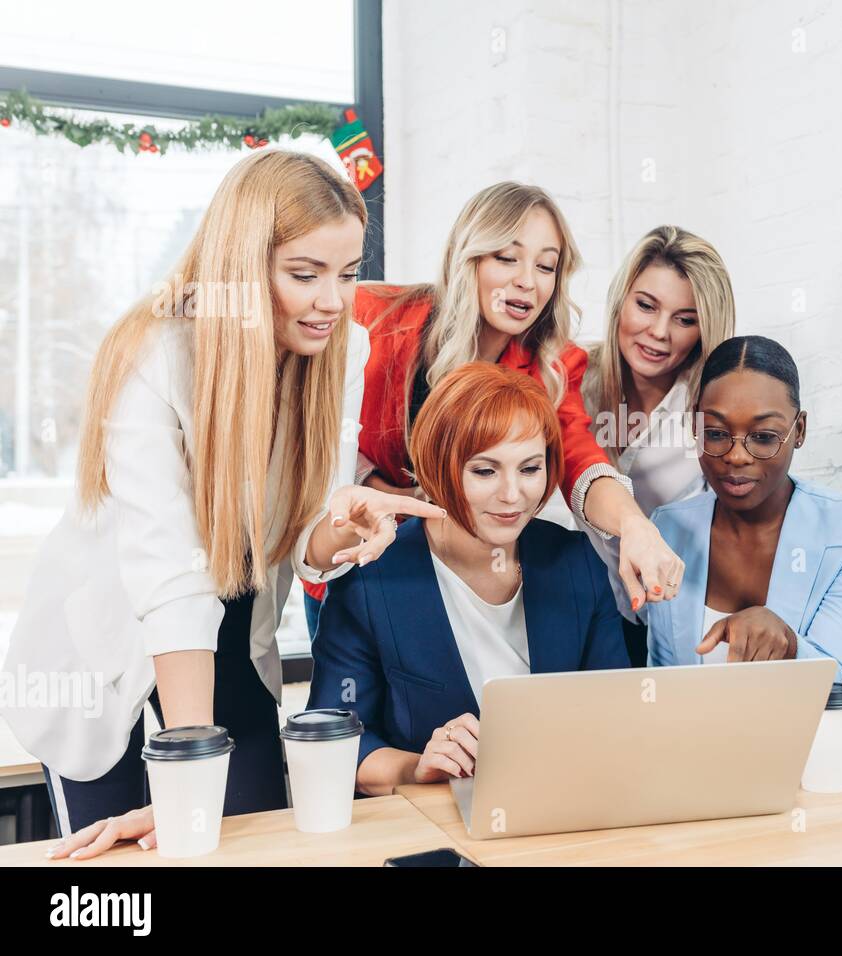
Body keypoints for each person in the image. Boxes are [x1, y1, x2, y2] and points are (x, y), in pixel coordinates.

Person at [2, 150, 441, 861]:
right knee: (121, 860)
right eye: (305, 275)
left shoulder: (342, 350)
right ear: (240, 265)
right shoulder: (153, 354)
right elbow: (172, 577)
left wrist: (342, 526)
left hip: (234, 626)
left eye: (349, 274)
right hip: (108, 639)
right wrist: (185, 790)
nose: (334, 300)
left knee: (253, 840)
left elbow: (302, 538)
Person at [300, 182, 684, 631]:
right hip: (356, 554)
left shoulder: (552, 365)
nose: (527, 280)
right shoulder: (373, 315)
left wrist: (634, 526)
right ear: (470, 256)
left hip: (457, 572)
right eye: (506, 257)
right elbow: (313, 421)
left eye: (546, 265)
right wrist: (378, 484)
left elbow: (580, 459)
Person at [307, 363, 629, 792]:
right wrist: (416, 767)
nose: (512, 494)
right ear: (439, 467)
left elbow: (617, 713)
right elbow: (338, 739)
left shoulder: (574, 562)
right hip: (434, 831)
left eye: (530, 469)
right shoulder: (370, 580)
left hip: (563, 812)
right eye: (485, 471)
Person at [644, 335, 842, 723]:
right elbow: (660, 681)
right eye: (716, 433)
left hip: (825, 759)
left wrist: (790, 645)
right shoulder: (668, 528)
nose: (737, 455)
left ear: (800, 430)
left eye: (763, 437)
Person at [579, 225, 735, 665]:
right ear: (621, 299)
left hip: (678, 625)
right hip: (584, 620)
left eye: (685, 319)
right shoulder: (572, 382)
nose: (660, 332)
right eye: (646, 306)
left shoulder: (711, 408)